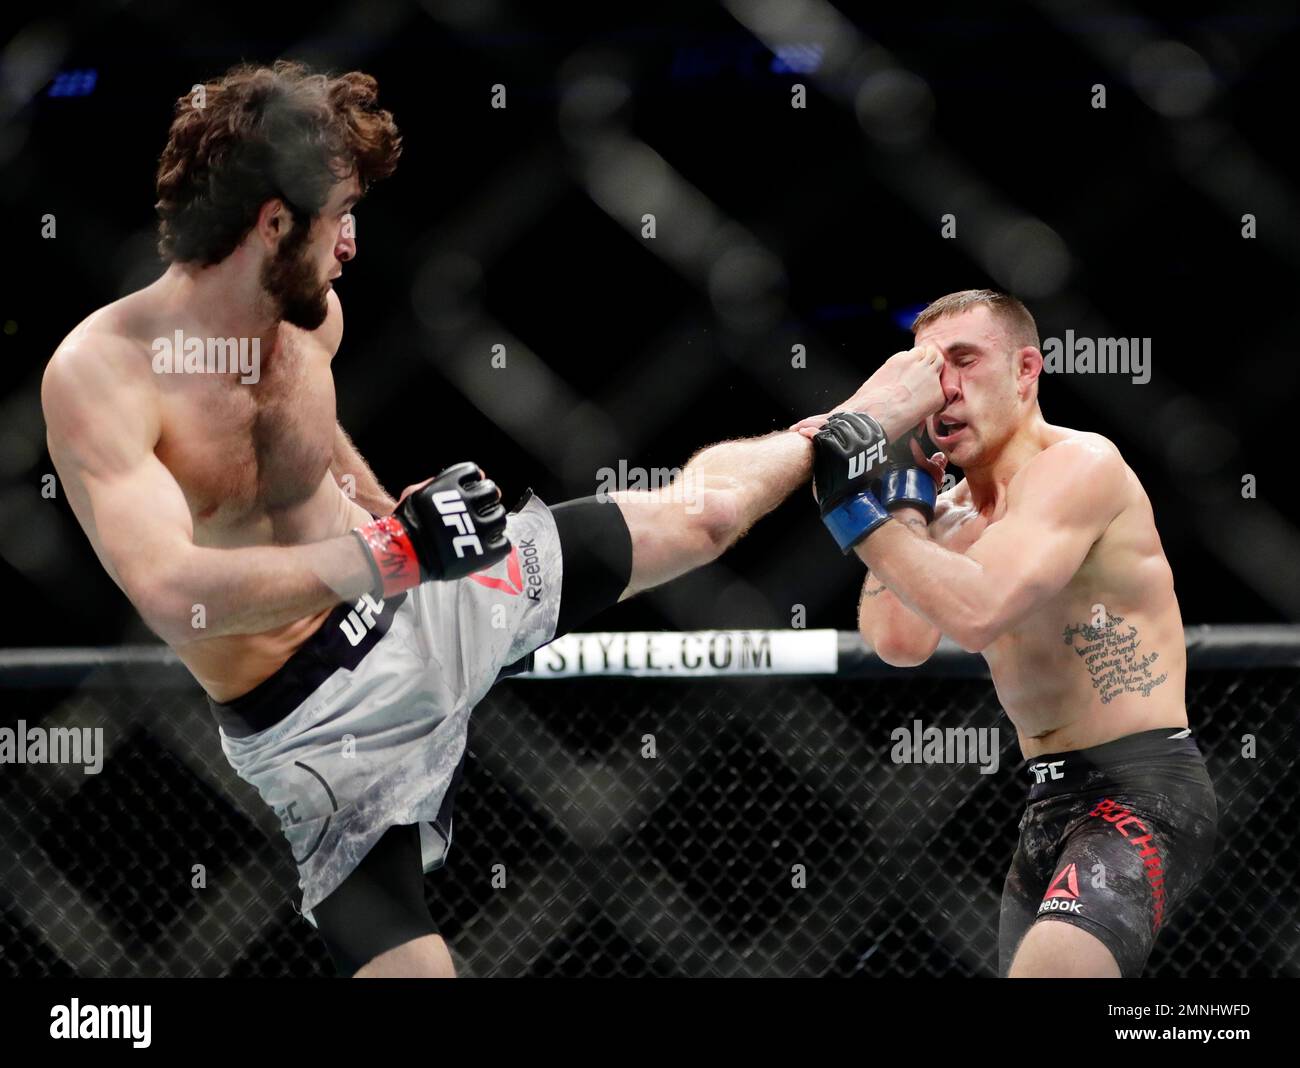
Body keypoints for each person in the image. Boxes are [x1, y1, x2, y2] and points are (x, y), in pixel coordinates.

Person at [40, 60, 941, 977]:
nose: (351, 242)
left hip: (425, 599)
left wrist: (399, 516)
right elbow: (172, 593)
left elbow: (310, 447)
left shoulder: (312, 318)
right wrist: (391, 549)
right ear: (274, 221)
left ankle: (844, 426)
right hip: (319, 721)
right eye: (339, 215)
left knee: (698, 522)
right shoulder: (103, 375)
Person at [801, 289, 1218, 977]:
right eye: (932, 372)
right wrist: (903, 503)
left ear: (1026, 370)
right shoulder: (952, 512)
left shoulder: (1081, 466)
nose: (946, 389)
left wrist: (849, 506)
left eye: (965, 361)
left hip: (1143, 788)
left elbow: (979, 609)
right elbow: (899, 639)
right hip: (1046, 800)